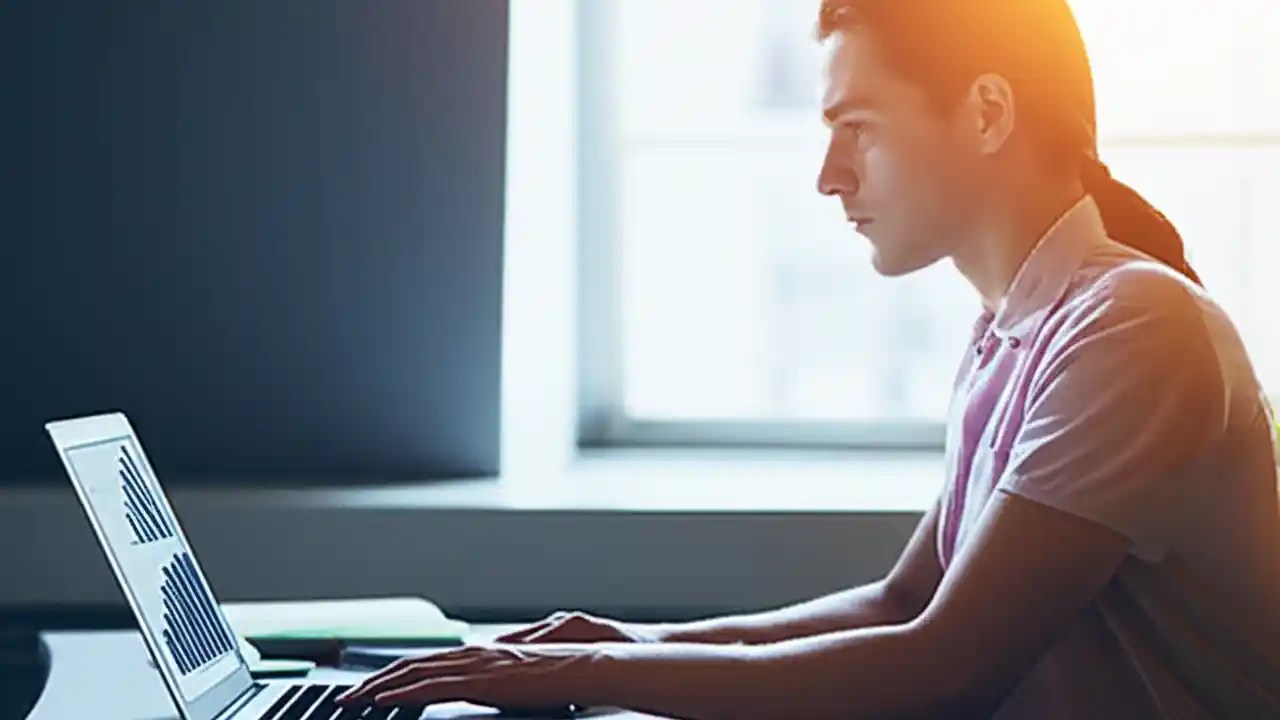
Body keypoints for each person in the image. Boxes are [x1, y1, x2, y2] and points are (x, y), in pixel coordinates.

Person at [339, 1, 1280, 716]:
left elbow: (942, 664)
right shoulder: (1012, 328)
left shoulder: (1134, 327)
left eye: (856, 126)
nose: (829, 175)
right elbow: (903, 599)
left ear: (989, 111)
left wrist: (594, 671)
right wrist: (632, 639)